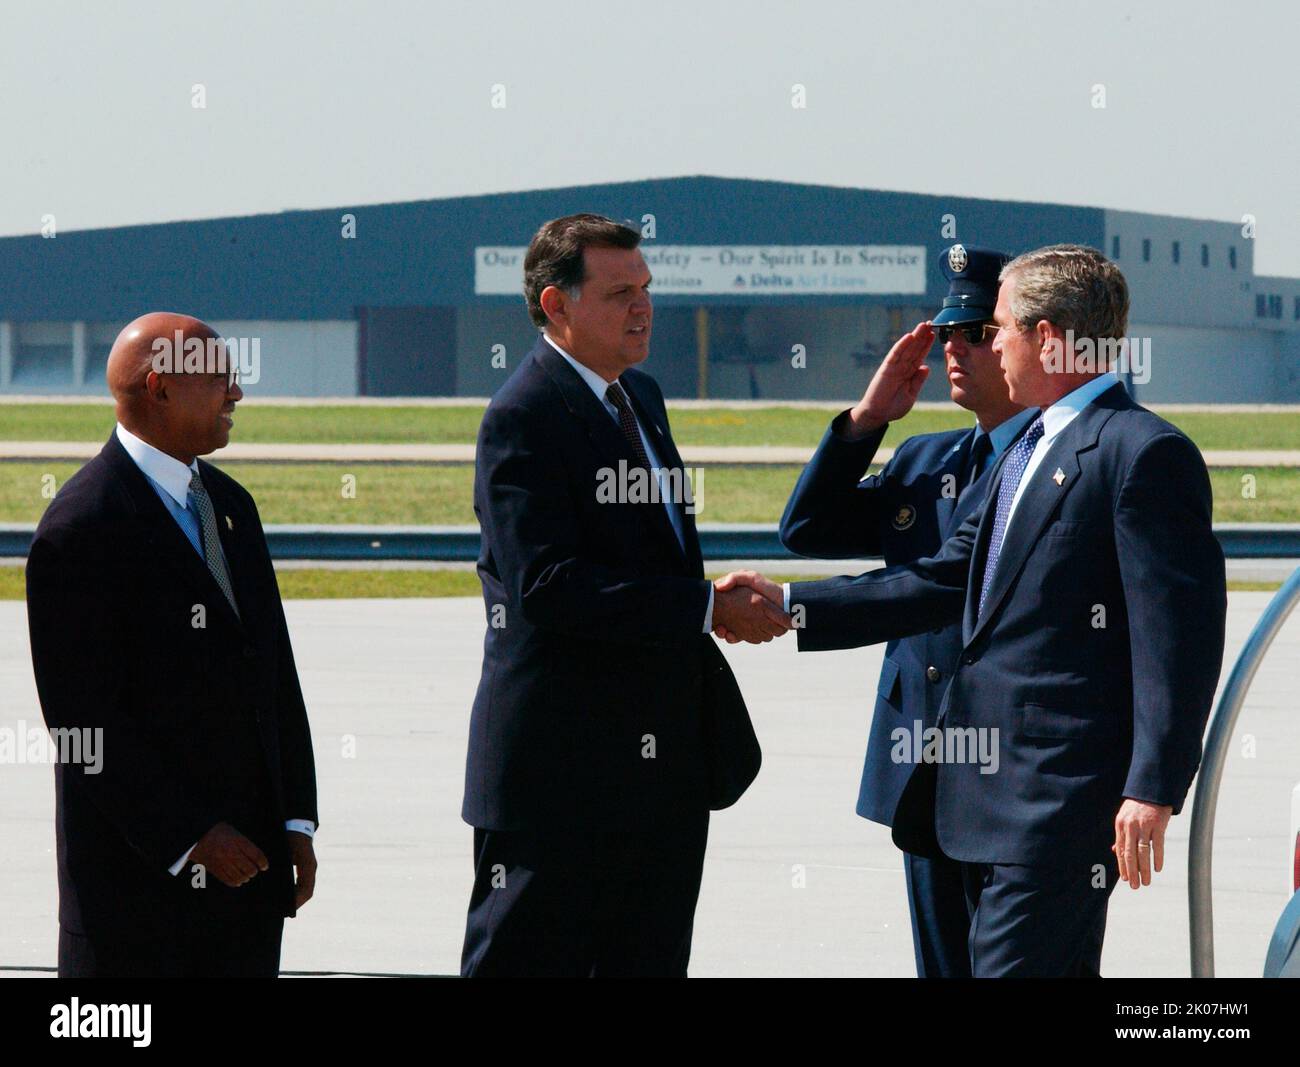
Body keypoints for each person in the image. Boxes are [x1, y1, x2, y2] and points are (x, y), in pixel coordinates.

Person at [723, 244, 1227, 976]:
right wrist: (794, 606)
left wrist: (1152, 785)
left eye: (995, 329)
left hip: (1056, 807)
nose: (985, 345)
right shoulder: (1027, 448)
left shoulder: (1141, 452)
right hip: (973, 803)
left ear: (1048, 338)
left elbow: (1176, 639)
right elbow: (937, 581)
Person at [460, 214, 789, 977]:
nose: (643, 307)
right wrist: (705, 607)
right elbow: (546, 586)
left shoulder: (639, 396)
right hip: (559, 782)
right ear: (556, 306)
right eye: (618, 293)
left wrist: (706, 597)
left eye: (646, 289)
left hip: (661, 778)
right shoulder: (523, 416)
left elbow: (656, 557)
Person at [26, 312, 319, 978]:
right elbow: (82, 724)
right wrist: (190, 835)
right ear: (159, 388)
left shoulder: (231, 506)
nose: (237, 394)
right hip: (138, 904)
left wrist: (296, 820)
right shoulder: (82, 526)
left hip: (247, 890)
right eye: (220, 379)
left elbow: (274, 674)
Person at [777, 245, 1035, 977]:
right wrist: (867, 420)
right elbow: (806, 530)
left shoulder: (1058, 458)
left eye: (979, 334)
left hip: (1014, 770)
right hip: (923, 768)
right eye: (949, 334)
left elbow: (935, 586)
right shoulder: (926, 459)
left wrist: (792, 611)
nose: (957, 349)